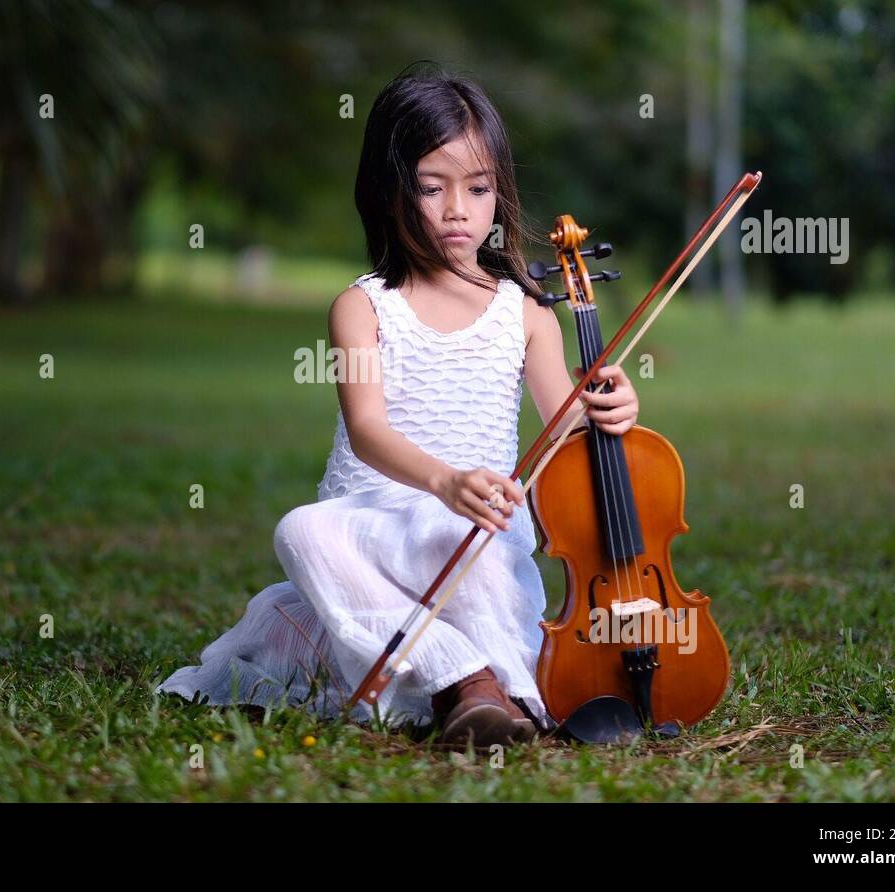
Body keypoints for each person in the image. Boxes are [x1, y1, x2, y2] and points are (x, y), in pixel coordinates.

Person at [156, 65, 639, 748]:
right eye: (430, 187)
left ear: (499, 192)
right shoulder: (362, 308)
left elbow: (566, 425)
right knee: (301, 531)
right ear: (389, 192)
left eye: (477, 189)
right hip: (370, 530)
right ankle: (468, 680)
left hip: (470, 537)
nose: (456, 211)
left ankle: (472, 688)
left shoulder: (527, 311)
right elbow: (368, 429)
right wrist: (443, 480)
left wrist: (611, 408)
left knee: (456, 539)